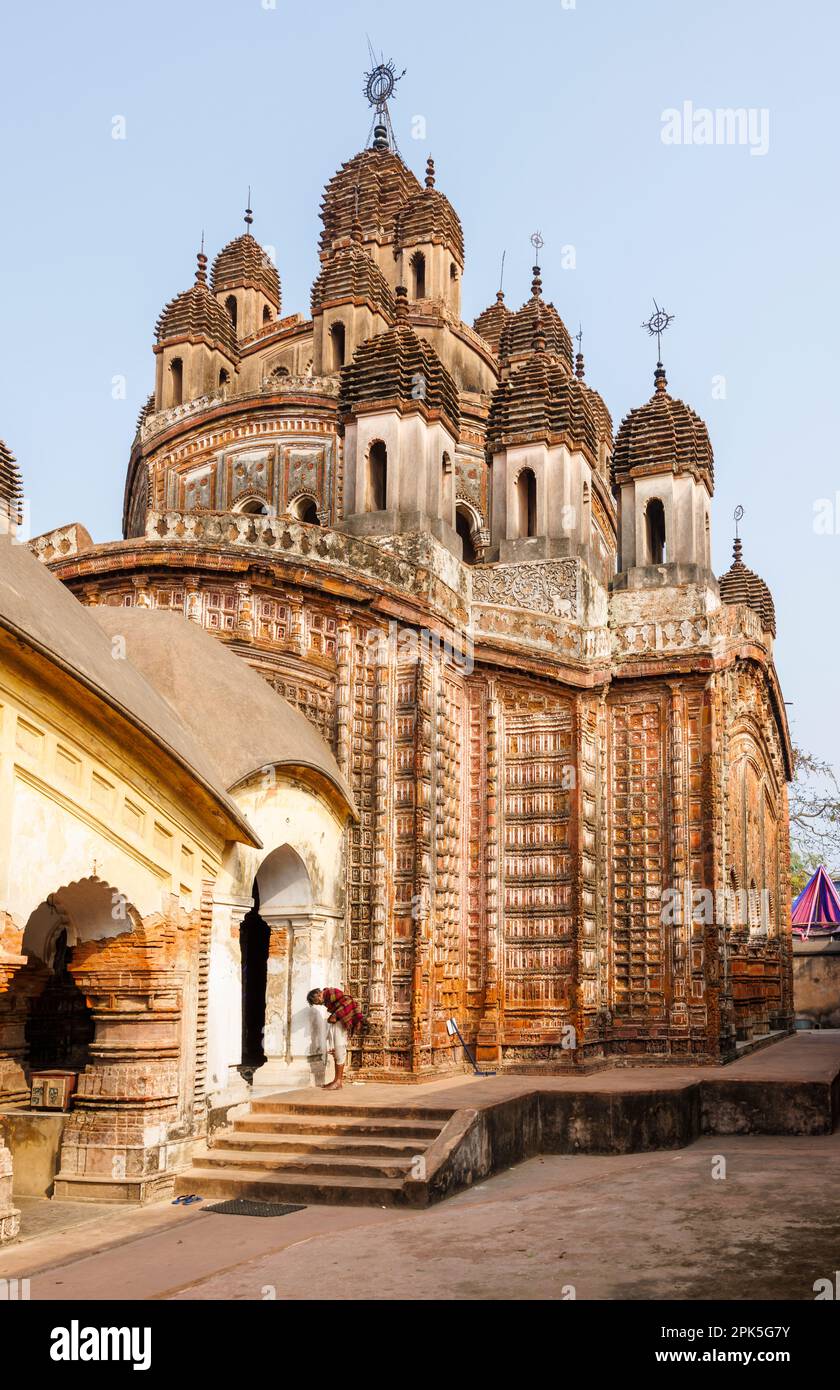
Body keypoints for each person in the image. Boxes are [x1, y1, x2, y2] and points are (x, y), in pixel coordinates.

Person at [306, 986, 364, 1089]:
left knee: (339, 1049)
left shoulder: (331, 993)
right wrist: (334, 1015)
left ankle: (338, 1081)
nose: (319, 1004)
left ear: (318, 995)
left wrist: (336, 1015)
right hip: (338, 1022)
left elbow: (348, 1000)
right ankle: (336, 1080)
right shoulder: (328, 999)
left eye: (317, 1002)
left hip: (341, 1023)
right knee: (336, 1051)